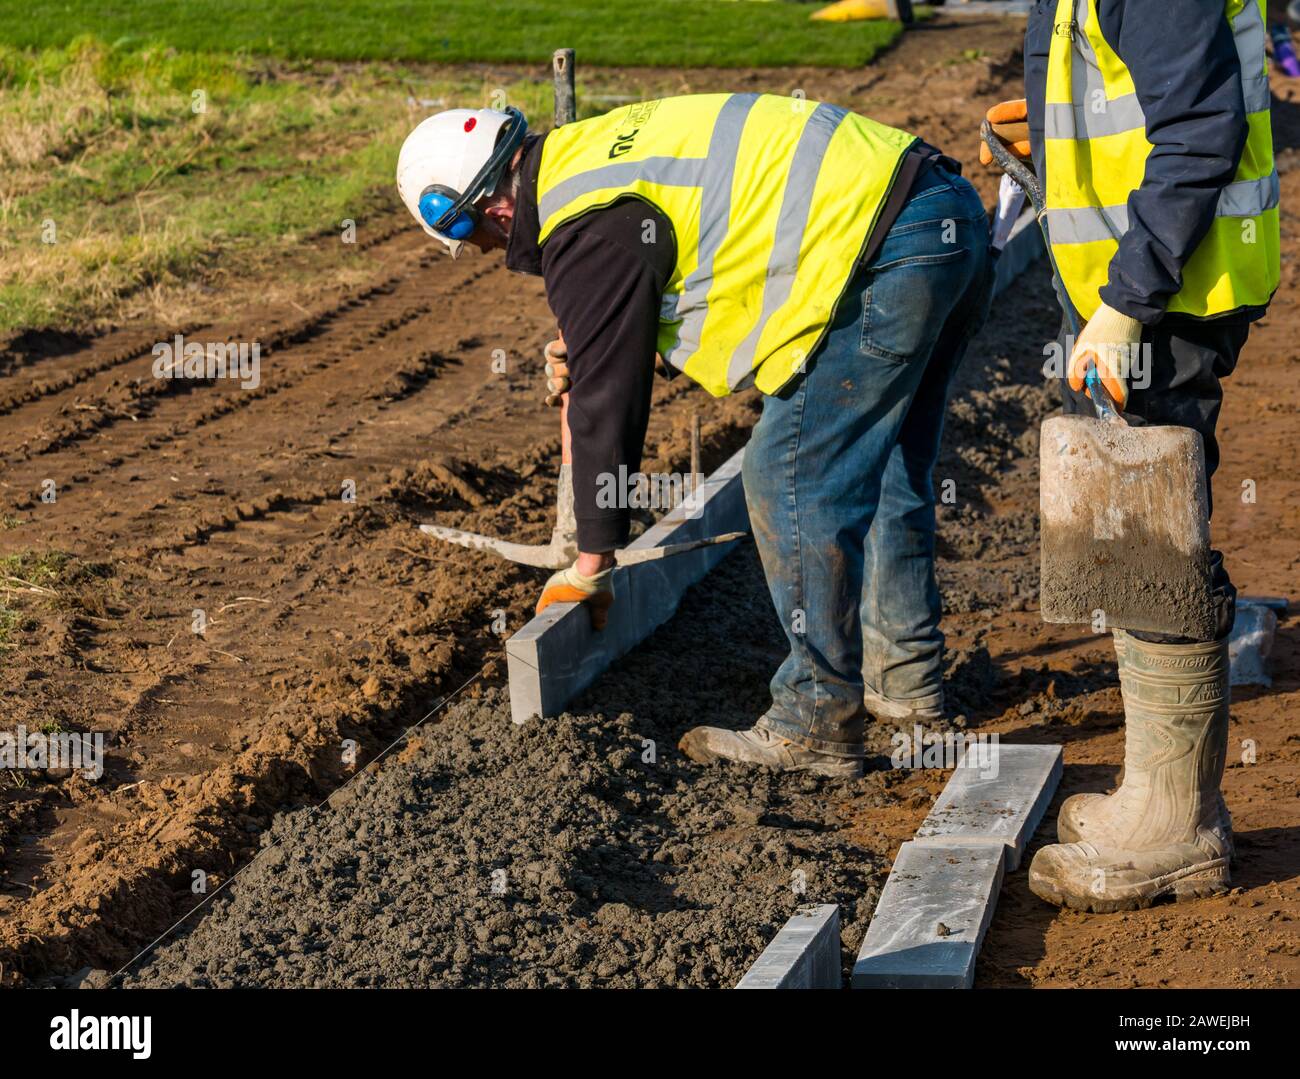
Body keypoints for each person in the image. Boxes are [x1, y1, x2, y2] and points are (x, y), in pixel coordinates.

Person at [397, 93, 993, 779]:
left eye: (478, 242)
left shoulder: (582, 224)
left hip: (885, 248)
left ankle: (815, 721)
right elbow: (661, 257)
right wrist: (597, 333)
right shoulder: (584, 158)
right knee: (884, 461)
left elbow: (607, 400)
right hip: (942, 213)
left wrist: (592, 563)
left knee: (787, 472)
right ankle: (907, 681)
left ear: (484, 209)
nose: (490, 254)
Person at [983, 0, 1278, 911]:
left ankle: (1179, 826)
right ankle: (1157, 796)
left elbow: (1199, 130)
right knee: (1135, 528)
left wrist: (1125, 302)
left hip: (1171, 288)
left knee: (1156, 534)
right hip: (1141, 278)